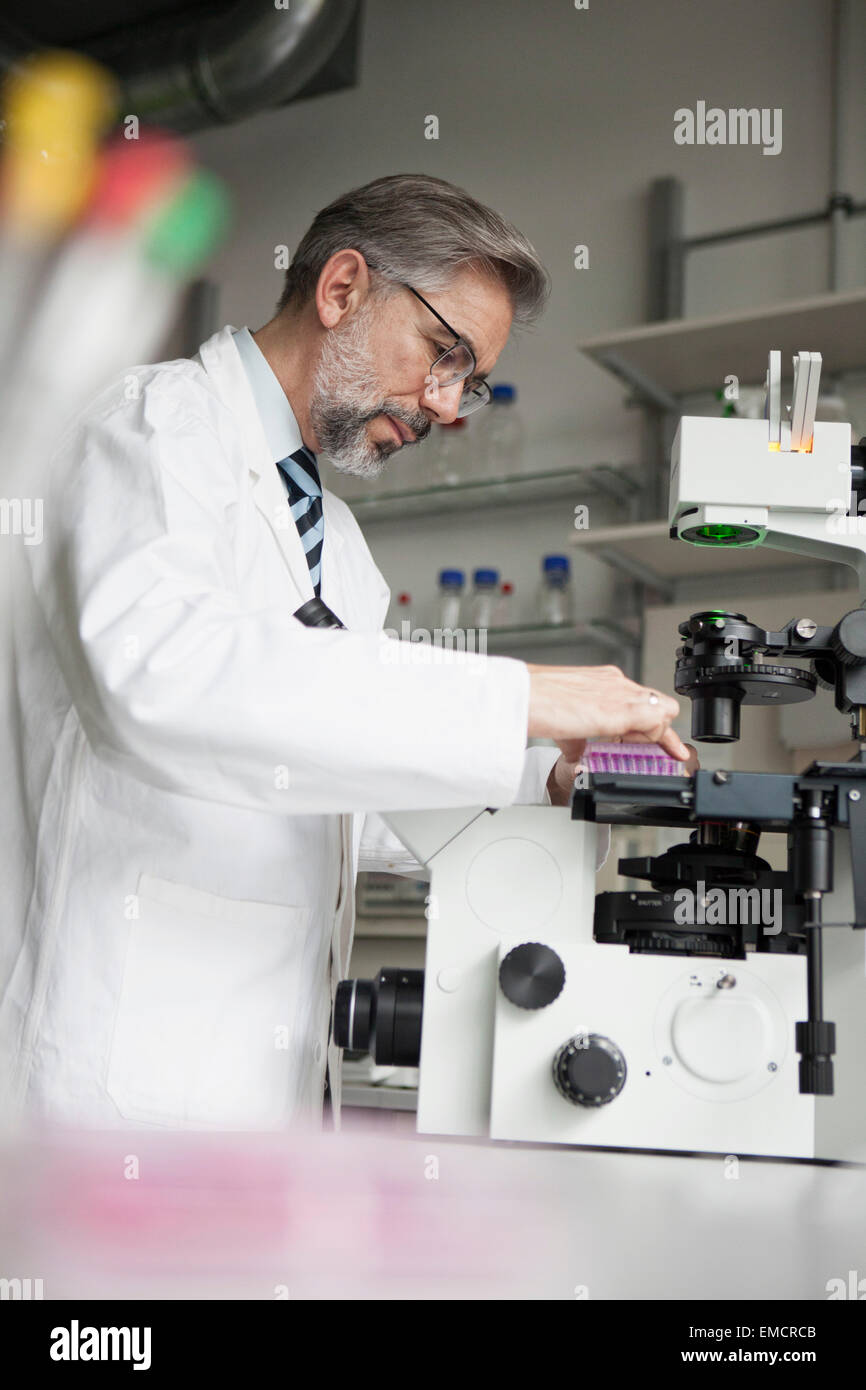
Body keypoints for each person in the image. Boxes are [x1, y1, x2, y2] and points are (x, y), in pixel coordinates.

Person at [0, 173, 689, 1132]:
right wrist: (519, 696)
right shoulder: (155, 429)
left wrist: (542, 779)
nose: (448, 407)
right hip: (107, 1068)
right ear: (343, 290)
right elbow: (156, 678)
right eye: (442, 356)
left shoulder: (339, 547)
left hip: (251, 1077)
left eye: (471, 381)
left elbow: (331, 797)